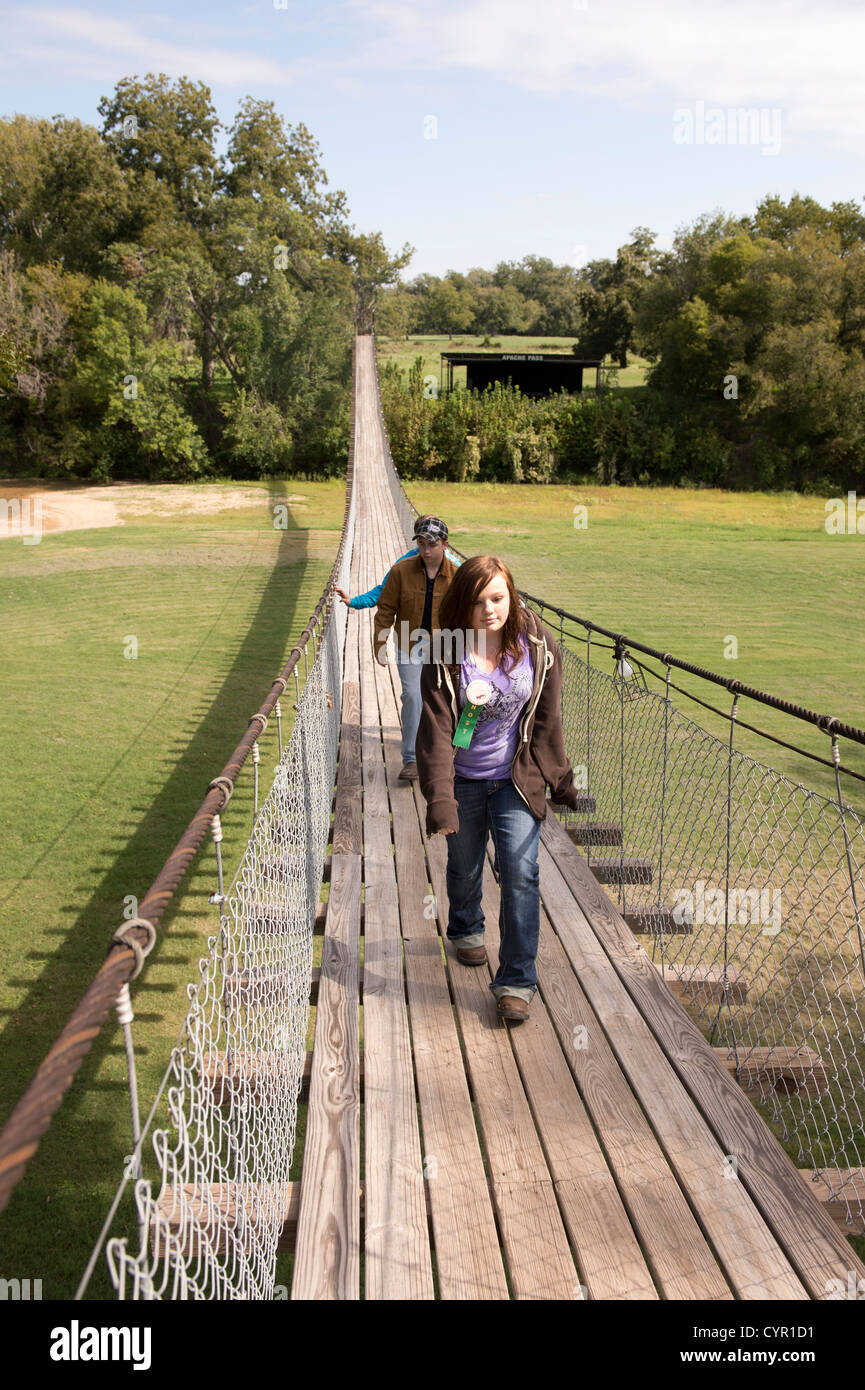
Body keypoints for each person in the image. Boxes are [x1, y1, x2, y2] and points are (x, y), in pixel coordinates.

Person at [415, 556, 582, 1023]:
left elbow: (547, 718)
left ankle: (515, 980)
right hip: (463, 777)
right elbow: (434, 732)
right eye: (478, 600)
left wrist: (560, 776)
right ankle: (466, 925)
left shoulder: (536, 643)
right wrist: (441, 799)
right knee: (464, 865)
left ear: (511, 596)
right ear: (461, 604)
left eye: (498, 598)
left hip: (514, 777)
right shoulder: (445, 653)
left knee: (521, 870)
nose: (489, 609)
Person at [369, 516, 460, 781]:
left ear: (445, 544)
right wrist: (380, 643)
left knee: (449, 699)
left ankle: (449, 755)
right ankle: (411, 759)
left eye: (432, 543)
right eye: (421, 543)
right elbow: (386, 608)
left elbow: (468, 612)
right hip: (409, 643)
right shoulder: (401, 571)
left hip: (445, 647)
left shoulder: (458, 576)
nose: (426, 549)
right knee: (412, 696)